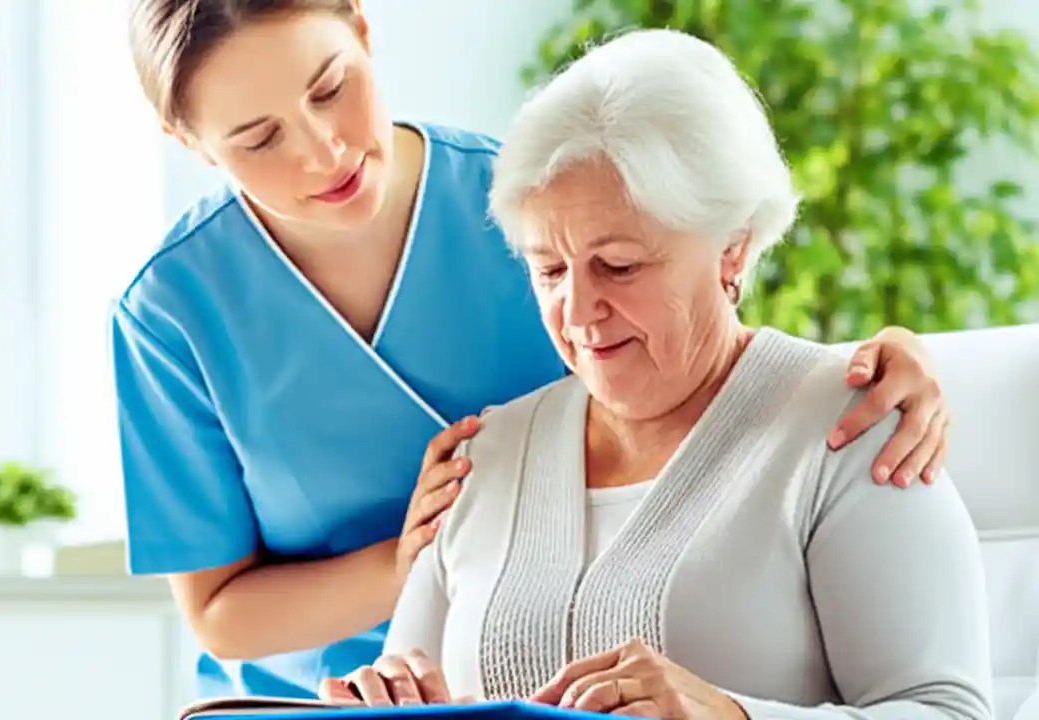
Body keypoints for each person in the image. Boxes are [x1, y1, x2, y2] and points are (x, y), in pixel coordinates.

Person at [113, 0, 952, 700]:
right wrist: (417, 560)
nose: (321, 149)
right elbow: (217, 607)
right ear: (187, 142)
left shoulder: (539, 196)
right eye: (258, 139)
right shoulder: (173, 312)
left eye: (331, 89)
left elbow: (703, 342)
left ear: (364, 30)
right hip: (355, 694)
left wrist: (887, 359)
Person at [319, 29, 992, 719]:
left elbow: (949, 710)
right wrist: (392, 701)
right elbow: (413, 690)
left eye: (619, 265)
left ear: (732, 250)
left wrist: (732, 716)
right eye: (549, 269)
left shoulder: (857, 426)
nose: (576, 311)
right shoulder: (479, 460)